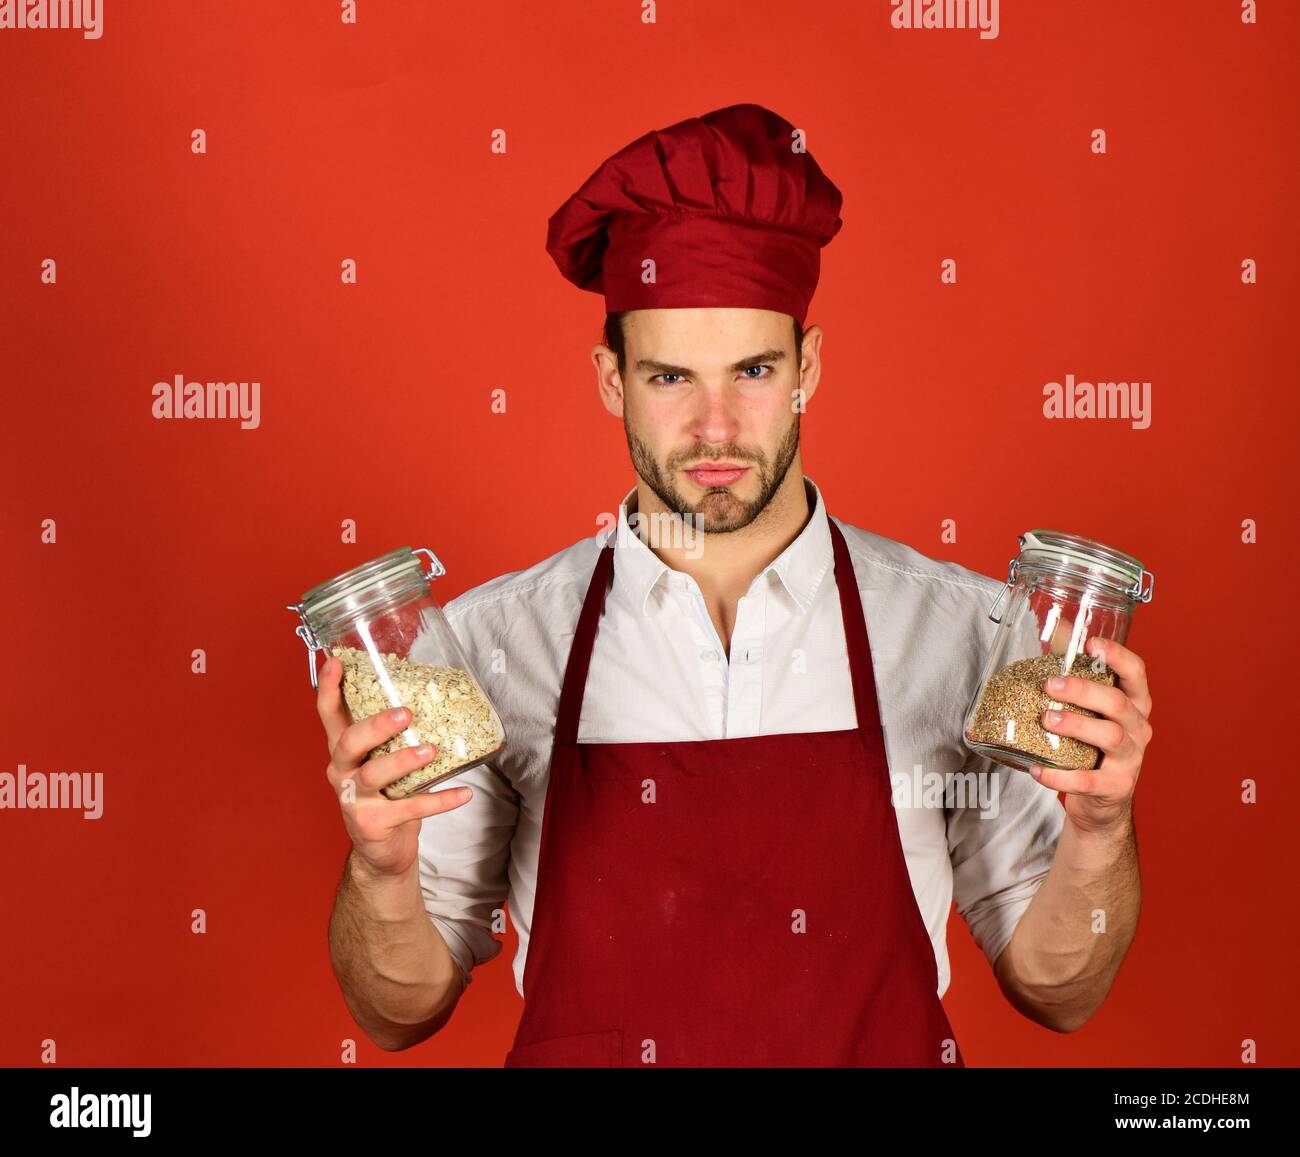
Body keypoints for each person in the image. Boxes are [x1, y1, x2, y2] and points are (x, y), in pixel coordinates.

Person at [323, 104, 1152, 1067]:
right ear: (610, 379)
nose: (716, 428)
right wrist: (380, 868)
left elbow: (1058, 987)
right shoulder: (495, 643)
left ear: (809, 367)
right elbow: (397, 1009)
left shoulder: (965, 629)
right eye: (671, 378)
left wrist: (1100, 831)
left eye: (753, 370)